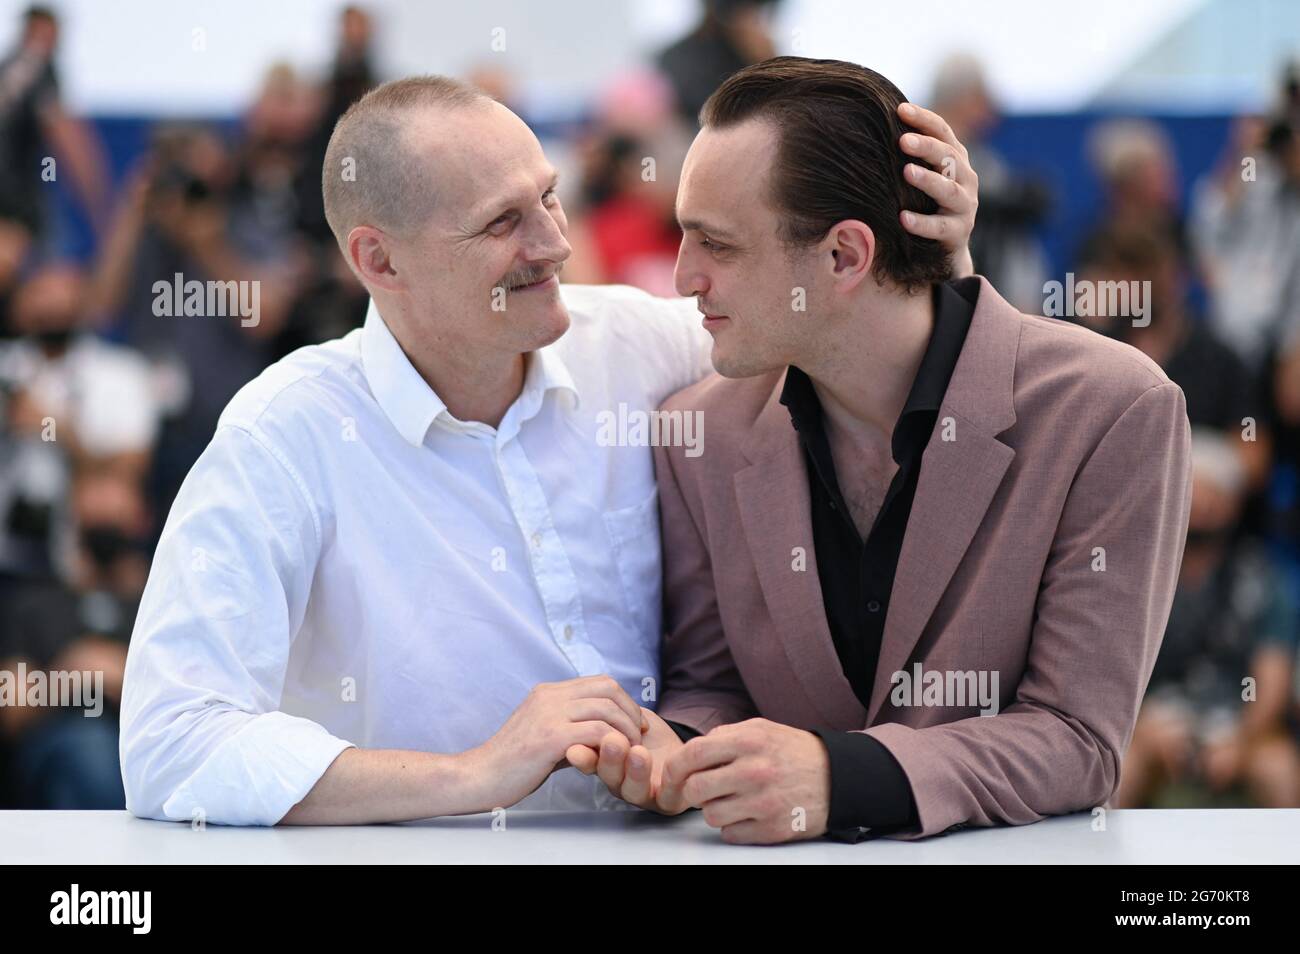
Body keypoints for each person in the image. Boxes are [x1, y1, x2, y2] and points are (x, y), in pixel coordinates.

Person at [118, 73, 978, 826]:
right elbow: (171, 743)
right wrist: (476, 774)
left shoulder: (639, 344)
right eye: (503, 224)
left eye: (550, 197)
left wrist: (937, 253)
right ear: (377, 259)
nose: (555, 244)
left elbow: (856, 333)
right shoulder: (285, 436)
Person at [571, 57, 1192, 844]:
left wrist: (843, 778)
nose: (684, 276)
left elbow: (1077, 739)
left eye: (716, 245)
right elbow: (710, 685)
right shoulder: (698, 437)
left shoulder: (1111, 410)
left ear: (844, 257)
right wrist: (678, 750)